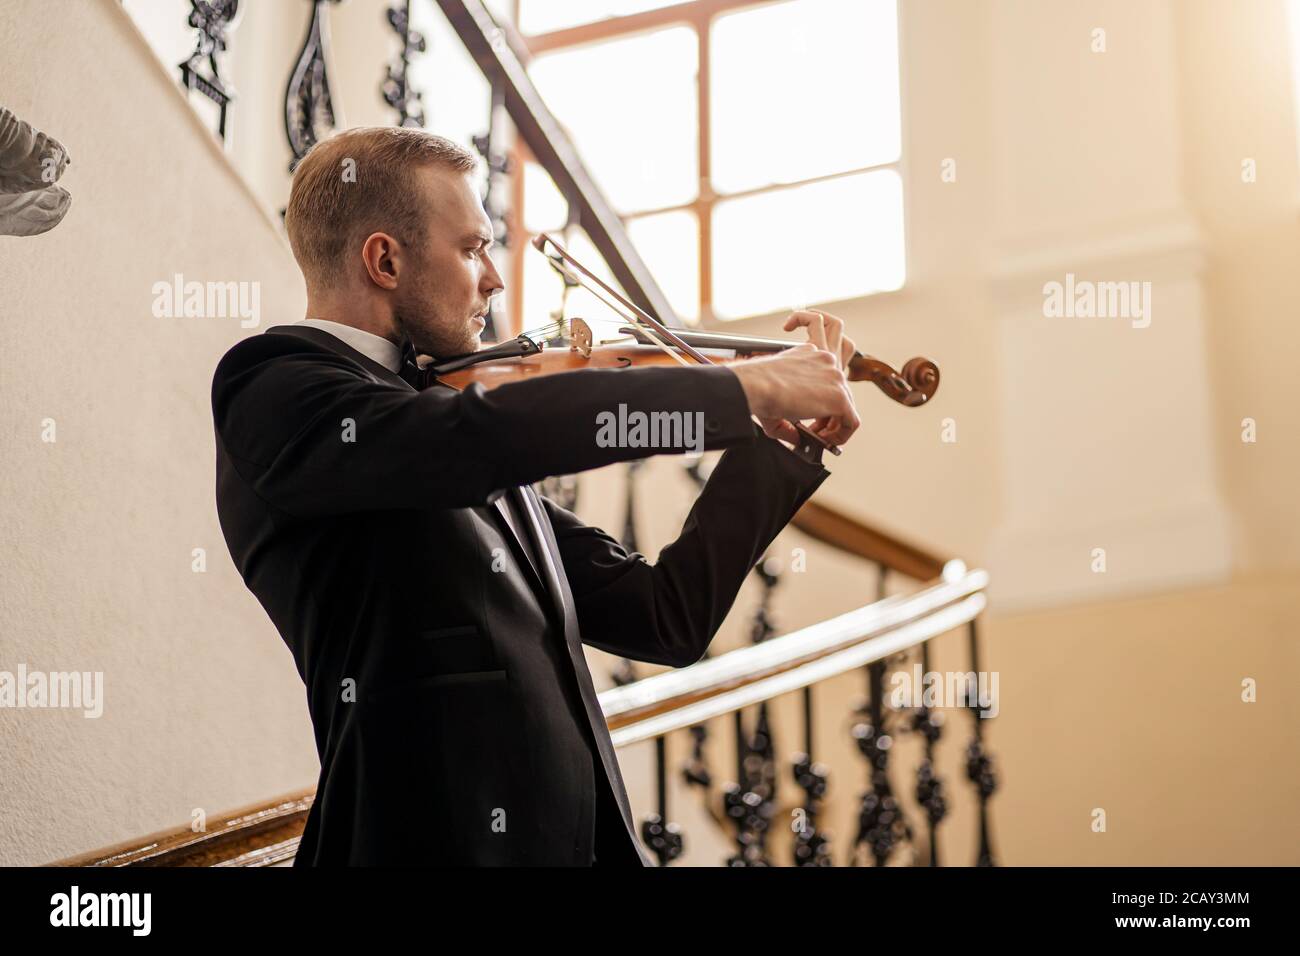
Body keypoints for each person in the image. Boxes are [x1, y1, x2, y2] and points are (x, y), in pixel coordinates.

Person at [211, 126, 861, 866]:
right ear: (385, 259)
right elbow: (477, 435)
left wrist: (774, 445)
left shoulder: (443, 432)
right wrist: (737, 386)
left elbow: (664, 617)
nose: (493, 278)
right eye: (471, 248)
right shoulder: (277, 387)